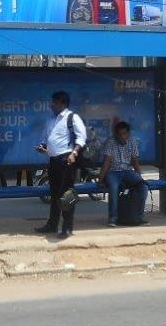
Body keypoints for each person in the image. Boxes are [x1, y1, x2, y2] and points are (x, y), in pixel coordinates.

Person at [33, 90, 87, 238]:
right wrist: (43, 148)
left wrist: (74, 153)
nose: (52, 105)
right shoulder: (51, 120)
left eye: (55, 102)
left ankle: (67, 228)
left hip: (67, 160)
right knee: (55, 194)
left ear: (63, 103)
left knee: (67, 194)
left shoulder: (72, 117)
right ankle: (52, 225)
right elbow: (46, 138)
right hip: (53, 160)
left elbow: (82, 138)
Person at [97, 119, 148, 227]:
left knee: (143, 187)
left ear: (128, 133)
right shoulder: (110, 142)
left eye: (124, 134)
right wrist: (100, 179)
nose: (122, 136)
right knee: (114, 188)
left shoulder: (133, 142)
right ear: (116, 134)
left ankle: (139, 216)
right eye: (119, 134)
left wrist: (140, 175)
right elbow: (106, 162)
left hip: (128, 172)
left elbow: (134, 161)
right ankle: (113, 218)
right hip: (113, 172)